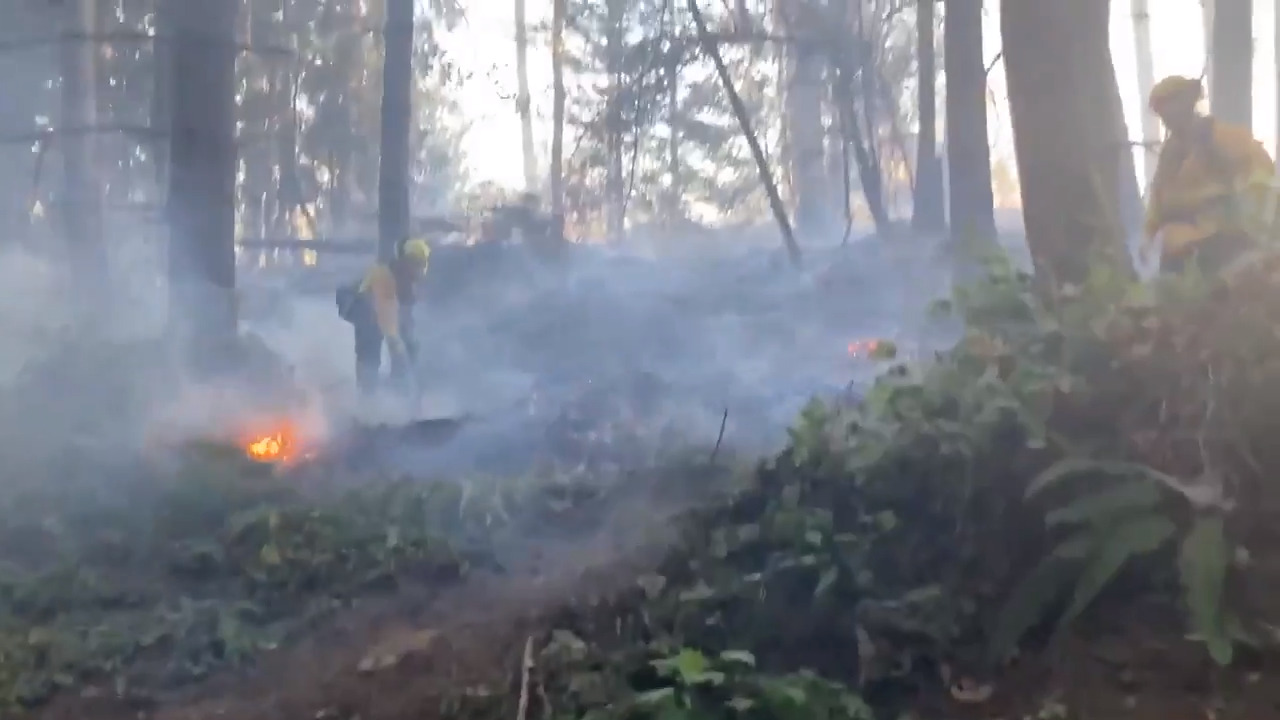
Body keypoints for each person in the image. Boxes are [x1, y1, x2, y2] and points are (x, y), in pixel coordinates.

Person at [1143, 75, 1276, 276]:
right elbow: (1158, 198)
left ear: (1187, 103)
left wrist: (1244, 212)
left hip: (1222, 240)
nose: (1167, 119)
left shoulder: (1226, 137)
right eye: (1162, 113)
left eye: (1170, 108)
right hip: (1177, 250)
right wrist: (1148, 236)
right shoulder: (1169, 154)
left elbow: (1261, 176)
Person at [336, 238, 431, 396]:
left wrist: (409, 347)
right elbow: (385, 314)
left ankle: (401, 388)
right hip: (354, 302)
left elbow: (406, 316)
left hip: (379, 309)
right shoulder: (383, 276)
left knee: (408, 346)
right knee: (371, 332)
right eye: (415, 263)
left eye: (420, 264)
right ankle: (368, 389)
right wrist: (397, 345)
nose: (418, 269)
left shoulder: (409, 282)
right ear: (406, 261)